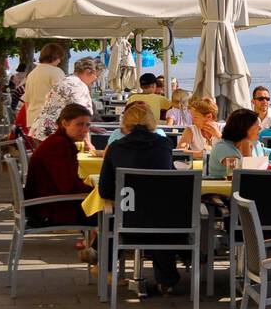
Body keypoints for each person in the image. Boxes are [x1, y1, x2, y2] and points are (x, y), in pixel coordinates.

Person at [97, 102, 185, 295]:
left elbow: (104, 190)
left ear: (125, 123)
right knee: (162, 213)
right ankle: (167, 280)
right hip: (164, 224)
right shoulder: (164, 144)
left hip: (127, 221)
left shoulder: (115, 148)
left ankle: (106, 265)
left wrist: (127, 197)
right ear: (152, 122)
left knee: (109, 215)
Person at [23, 103, 95, 228]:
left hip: (47, 205)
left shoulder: (59, 141)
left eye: (87, 125)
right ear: (65, 123)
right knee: (111, 214)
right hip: (50, 210)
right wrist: (97, 191)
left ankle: (95, 245)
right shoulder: (58, 145)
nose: (85, 130)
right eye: (79, 124)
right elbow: (68, 187)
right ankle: (106, 246)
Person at [30, 57, 100, 143]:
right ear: (88, 72)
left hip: (41, 131)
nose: (96, 79)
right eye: (97, 75)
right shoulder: (78, 86)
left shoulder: (66, 80)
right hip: (53, 135)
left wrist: (89, 127)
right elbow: (80, 115)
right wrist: (88, 143)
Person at [205, 108, 267, 177]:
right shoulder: (222, 147)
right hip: (222, 187)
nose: (260, 128)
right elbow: (247, 174)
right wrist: (246, 146)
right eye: (256, 124)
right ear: (244, 127)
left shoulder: (256, 144)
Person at [22, 43, 66, 131]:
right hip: (49, 120)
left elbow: (27, 101)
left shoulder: (32, 74)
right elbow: (63, 96)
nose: (60, 61)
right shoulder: (56, 71)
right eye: (60, 58)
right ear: (56, 57)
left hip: (32, 119)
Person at [104, 101, 169, 147]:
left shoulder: (116, 144)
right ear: (150, 118)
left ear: (126, 118)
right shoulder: (163, 142)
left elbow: (106, 157)